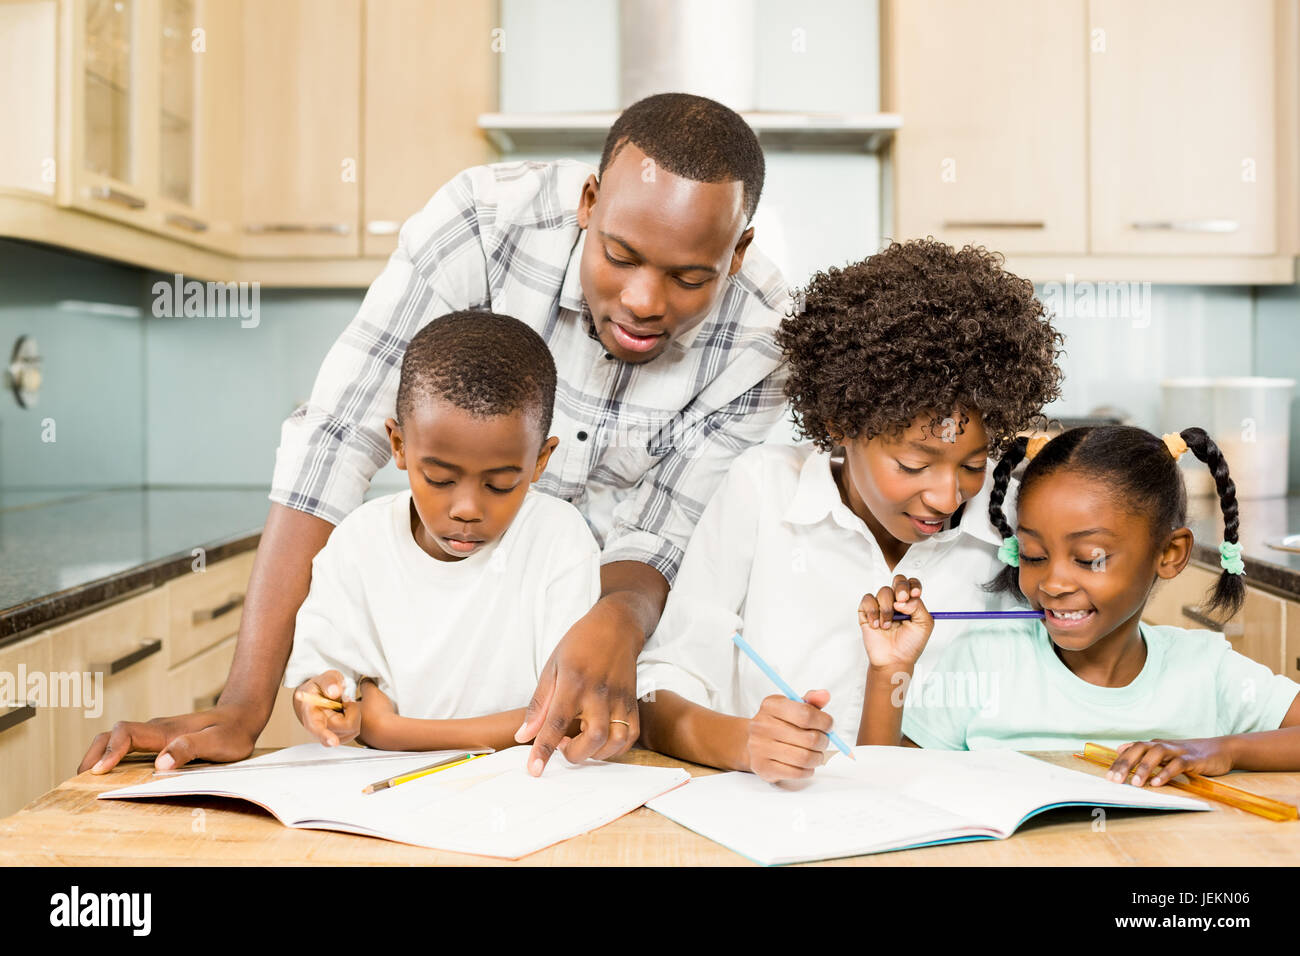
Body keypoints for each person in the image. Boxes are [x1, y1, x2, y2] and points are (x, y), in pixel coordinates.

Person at [82, 92, 791, 777]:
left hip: (608, 650)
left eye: (689, 278)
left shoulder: (760, 341)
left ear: (737, 253)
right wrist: (242, 705)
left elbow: (661, 530)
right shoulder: (484, 224)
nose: (644, 300)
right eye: (620, 255)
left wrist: (618, 619)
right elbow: (335, 437)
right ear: (588, 203)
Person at [635, 239, 1064, 782]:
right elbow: (657, 689)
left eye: (973, 464)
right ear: (841, 422)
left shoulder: (1014, 522)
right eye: (913, 465)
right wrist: (743, 743)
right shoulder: (764, 489)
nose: (946, 497)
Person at [857, 425, 1300, 788]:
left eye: (1090, 559)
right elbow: (883, 786)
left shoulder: (1206, 669)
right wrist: (888, 671)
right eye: (1033, 555)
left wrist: (1218, 750)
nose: (1053, 583)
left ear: (1169, 554)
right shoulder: (986, 656)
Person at [286, 311, 600, 752]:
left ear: (541, 460)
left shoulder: (559, 540)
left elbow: (569, 715)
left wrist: (391, 732)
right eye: (439, 478)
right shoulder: (360, 542)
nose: (467, 509)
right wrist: (323, 704)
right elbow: (318, 685)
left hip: (520, 799)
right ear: (399, 445)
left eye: (500, 484)